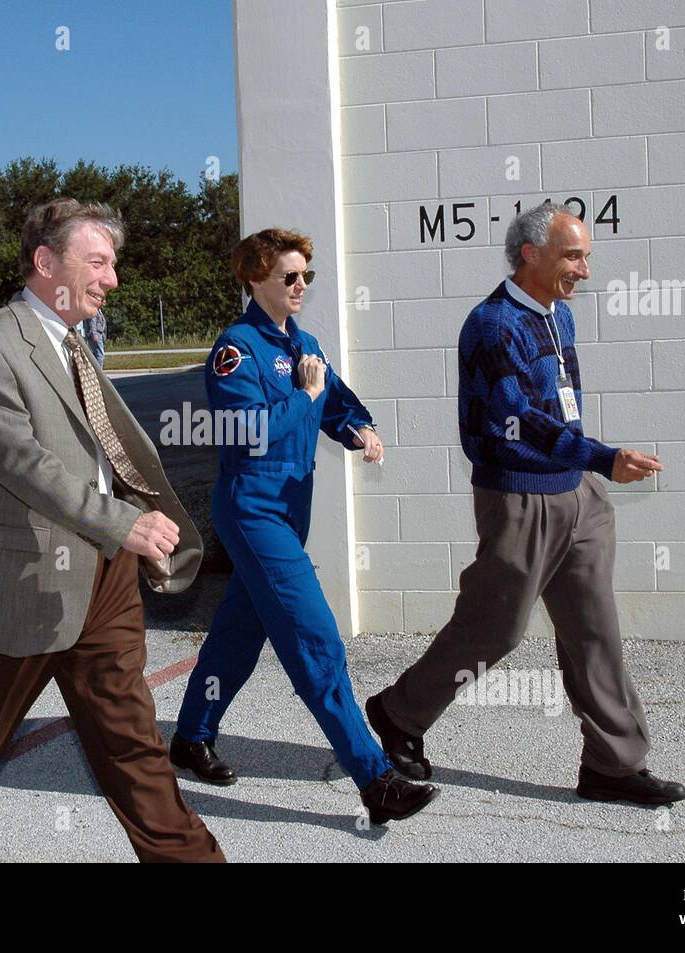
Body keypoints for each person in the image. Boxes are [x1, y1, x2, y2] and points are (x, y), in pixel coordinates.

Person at [0, 198, 224, 863]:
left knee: (133, 747)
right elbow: (21, 463)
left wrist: (132, 522)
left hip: (105, 578)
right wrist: (123, 521)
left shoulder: (74, 343)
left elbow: (104, 451)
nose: (112, 278)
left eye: (113, 264)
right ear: (46, 261)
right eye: (99, 262)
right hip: (21, 580)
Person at [366, 202, 685, 806]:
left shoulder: (558, 315)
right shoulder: (493, 326)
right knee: (495, 628)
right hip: (519, 498)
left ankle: (614, 765)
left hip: (578, 494)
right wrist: (602, 458)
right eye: (573, 257)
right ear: (530, 254)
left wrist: (587, 470)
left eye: (586, 257)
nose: (584, 270)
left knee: (595, 631)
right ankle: (397, 713)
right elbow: (516, 417)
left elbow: (560, 405)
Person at [170, 228, 436, 826]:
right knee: (316, 640)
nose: (300, 285)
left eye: (305, 276)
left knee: (239, 631)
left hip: (290, 508)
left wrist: (359, 427)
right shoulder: (235, 349)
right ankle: (376, 780)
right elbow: (250, 431)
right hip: (252, 509)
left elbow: (334, 402)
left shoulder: (303, 342)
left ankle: (190, 736)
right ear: (254, 279)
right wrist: (307, 395)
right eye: (288, 276)